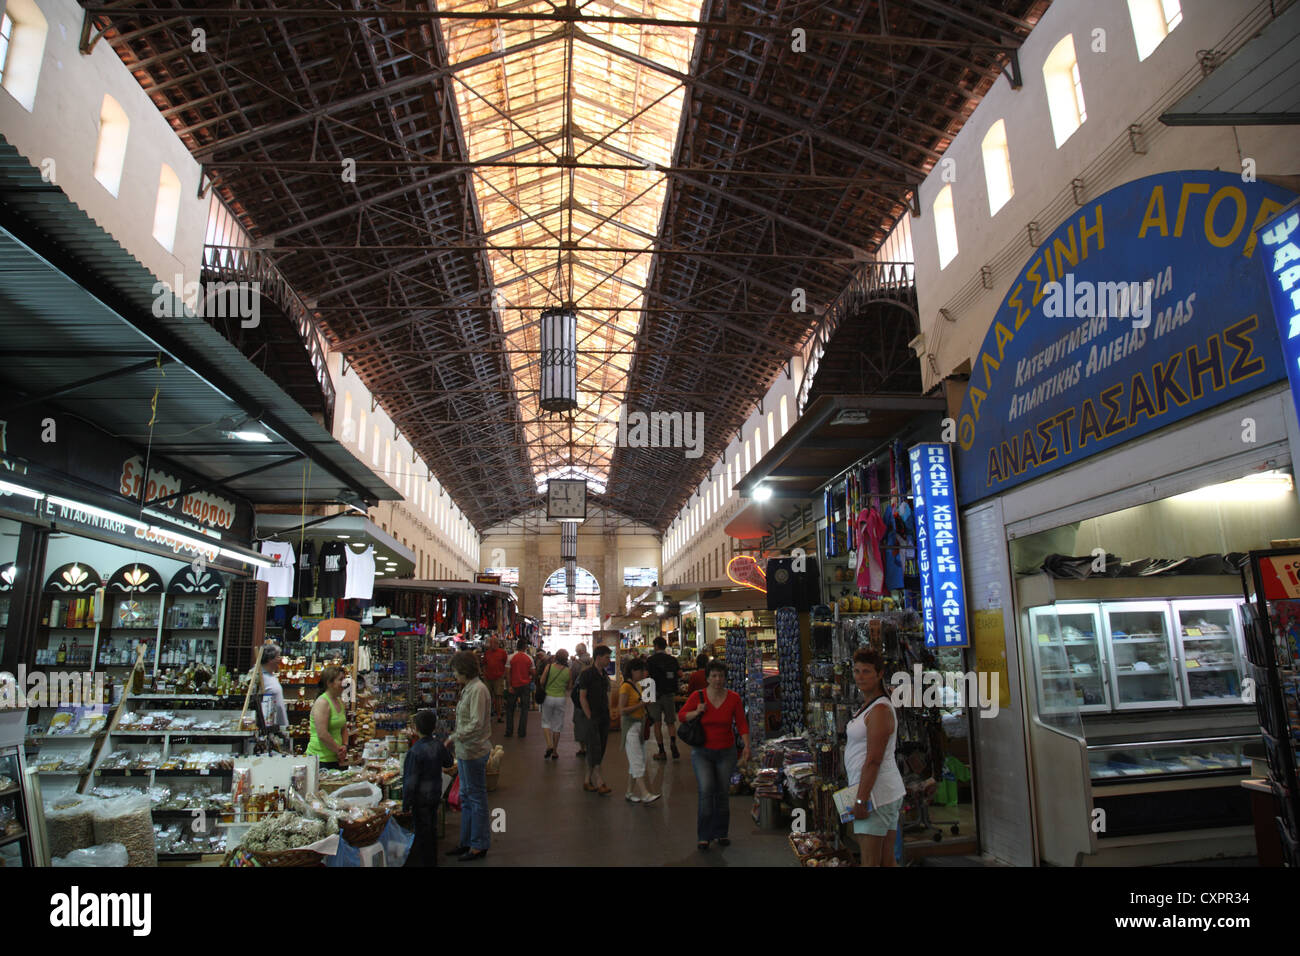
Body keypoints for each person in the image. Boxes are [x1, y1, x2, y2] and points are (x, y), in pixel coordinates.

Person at [845, 647, 907, 867]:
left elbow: (873, 760)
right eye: (857, 671)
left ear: (880, 674)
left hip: (876, 794)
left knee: (871, 861)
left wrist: (861, 800)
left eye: (866, 671)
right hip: (881, 792)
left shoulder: (879, 710)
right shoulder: (870, 706)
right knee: (885, 859)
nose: (860, 676)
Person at [678, 660, 750, 851]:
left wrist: (747, 746)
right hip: (702, 752)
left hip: (727, 752)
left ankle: (721, 832)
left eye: (721, 676)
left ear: (725, 678)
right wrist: (697, 711)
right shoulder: (698, 696)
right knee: (706, 789)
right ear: (708, 678)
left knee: (722, 792)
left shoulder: (734, 698)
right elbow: (682, 716)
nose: (718, 679)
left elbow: (741, 723)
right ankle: (704, 836)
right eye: (714, 676)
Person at [444, 650, 491, 861]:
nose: (454, 675)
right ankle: (467, 841)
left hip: (473, 751)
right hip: (465, 751)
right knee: (467, 797)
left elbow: (476, 723)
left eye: (455, 671)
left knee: (476, 798)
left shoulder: (478, 690)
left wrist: (455, 736)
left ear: (463, 670)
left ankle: (479, 844)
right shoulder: (469, 688)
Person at [402, 709, 454, 867]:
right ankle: (432, 860)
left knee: (422, 833)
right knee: (432, 829)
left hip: (420, 800)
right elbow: (449, 763)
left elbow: (410, 780)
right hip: (435, 795)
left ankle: (425, 862)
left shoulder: (415, 751)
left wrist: (406, 803)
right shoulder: (437, 745)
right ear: (434, 728)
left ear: (416, 729)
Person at [615, 658, 661, 804]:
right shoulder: (625, 687)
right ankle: (645, 793)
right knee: (637, 760)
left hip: (639, 726)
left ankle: (629, 792)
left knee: (636, 759)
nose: (643, 673)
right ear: (633, 671)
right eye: (641, 670)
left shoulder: (638, 685)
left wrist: (643, 705)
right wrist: (641, 704)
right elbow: (621, 710)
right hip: (630, 728)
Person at [575, 644, 613, 794]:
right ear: (598, 658)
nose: (609, 660)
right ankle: (599, 781)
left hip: (604, 716)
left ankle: (586, 780)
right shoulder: (587, 675)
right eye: (606, 657)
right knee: (595, 748)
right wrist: (589, 715)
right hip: (592, 717)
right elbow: (582, 697)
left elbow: (606, 695)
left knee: (600, 748)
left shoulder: (604, 675)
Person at [306, 665, 349, 769]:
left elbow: (343, 728)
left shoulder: (340, 702)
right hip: (320, 759)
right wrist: (338, 750)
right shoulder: (322, 702)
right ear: (329, 683)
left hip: (336, 758)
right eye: (340, 679)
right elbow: (322, 733)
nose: (344, 683)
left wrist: (344, 745)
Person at [645, 637, 681, 760]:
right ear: (665, 646)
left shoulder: (650, 661)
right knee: (670, 722)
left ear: (655, 646)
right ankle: (672, 742)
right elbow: (680, 674)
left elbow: (645, 676)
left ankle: (661, 751)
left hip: (655, 695)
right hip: (669, 694)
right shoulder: (672, 660)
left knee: (657, 723)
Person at [538, 648, 571, 759]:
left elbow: (542, 681)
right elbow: (569, 687)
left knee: (546, 722)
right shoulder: (568, 671)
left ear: (556, 657)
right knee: (557, 725)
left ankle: (549, 745)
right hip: (560, 698)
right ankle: (555, 751)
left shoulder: (549, 667)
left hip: (548, 697)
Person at [259, 643, 288, 747]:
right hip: (266, 729)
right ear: (270, 659)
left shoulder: (271, 676)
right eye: (278, 657)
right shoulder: (258, 676)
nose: (280, 660)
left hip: (277, 728)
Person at [505, 638, 534, 738]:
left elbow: (507, 673)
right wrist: (529, 678)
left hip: (513, 686)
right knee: (524, 710)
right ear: (525, 647)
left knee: (510, 709)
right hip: (525, 686)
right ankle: (521, 732)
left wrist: (509, 686)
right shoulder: (529, 658)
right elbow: (533, 673)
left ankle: (509, 731)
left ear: (516, 646)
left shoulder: (510, 657)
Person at [569, 643, 592, 756]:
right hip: (592, 695)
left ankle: (582, 748)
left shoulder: (576, 664)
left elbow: (572, 677)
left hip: (579, 695)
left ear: (580, 651)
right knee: (590, 718)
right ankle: (590, 745)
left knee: (579, 720)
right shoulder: (593, 661)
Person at [482, 636, 508, 722]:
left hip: (498, 677)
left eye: (493, 643)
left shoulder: (502, 653)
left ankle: (499, 715)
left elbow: (505, 664)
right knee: (488, 697)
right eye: (491, 643)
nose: (492, 645)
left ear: (497, 644)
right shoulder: (487, 653)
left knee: (498, 697)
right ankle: (488, 715)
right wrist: (484, 673)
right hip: (488, 677)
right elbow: (484, 664)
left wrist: (503, 675)